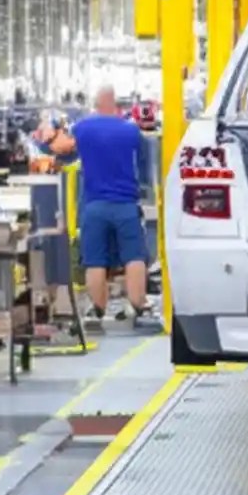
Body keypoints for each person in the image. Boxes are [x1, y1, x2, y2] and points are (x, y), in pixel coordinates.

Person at [71, 87, 150, 324]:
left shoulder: (82, 128)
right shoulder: (131, 131)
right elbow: (145, 169)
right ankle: (138, 305)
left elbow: (61, 152)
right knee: (134, 257)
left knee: (95, 260)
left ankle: (97, 310)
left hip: (94, 205)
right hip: (126, 204)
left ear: (96, 104)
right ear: (116, 105)